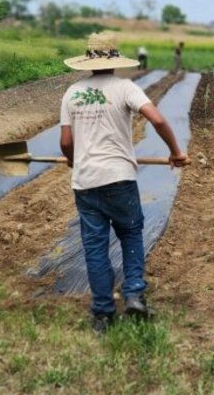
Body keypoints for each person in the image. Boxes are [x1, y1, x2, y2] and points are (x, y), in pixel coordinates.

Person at [60, 32, 189, 335]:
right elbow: (156, 120)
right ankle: (133, 294)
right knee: (130, 234)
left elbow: (66, 141)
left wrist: (73, 159)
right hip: (119, 178)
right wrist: (175, 152)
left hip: (86, 182)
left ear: (87, 61)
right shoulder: (125, 88)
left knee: (95, 246)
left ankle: (103, 314)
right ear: (115, 60)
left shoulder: (72, 93)